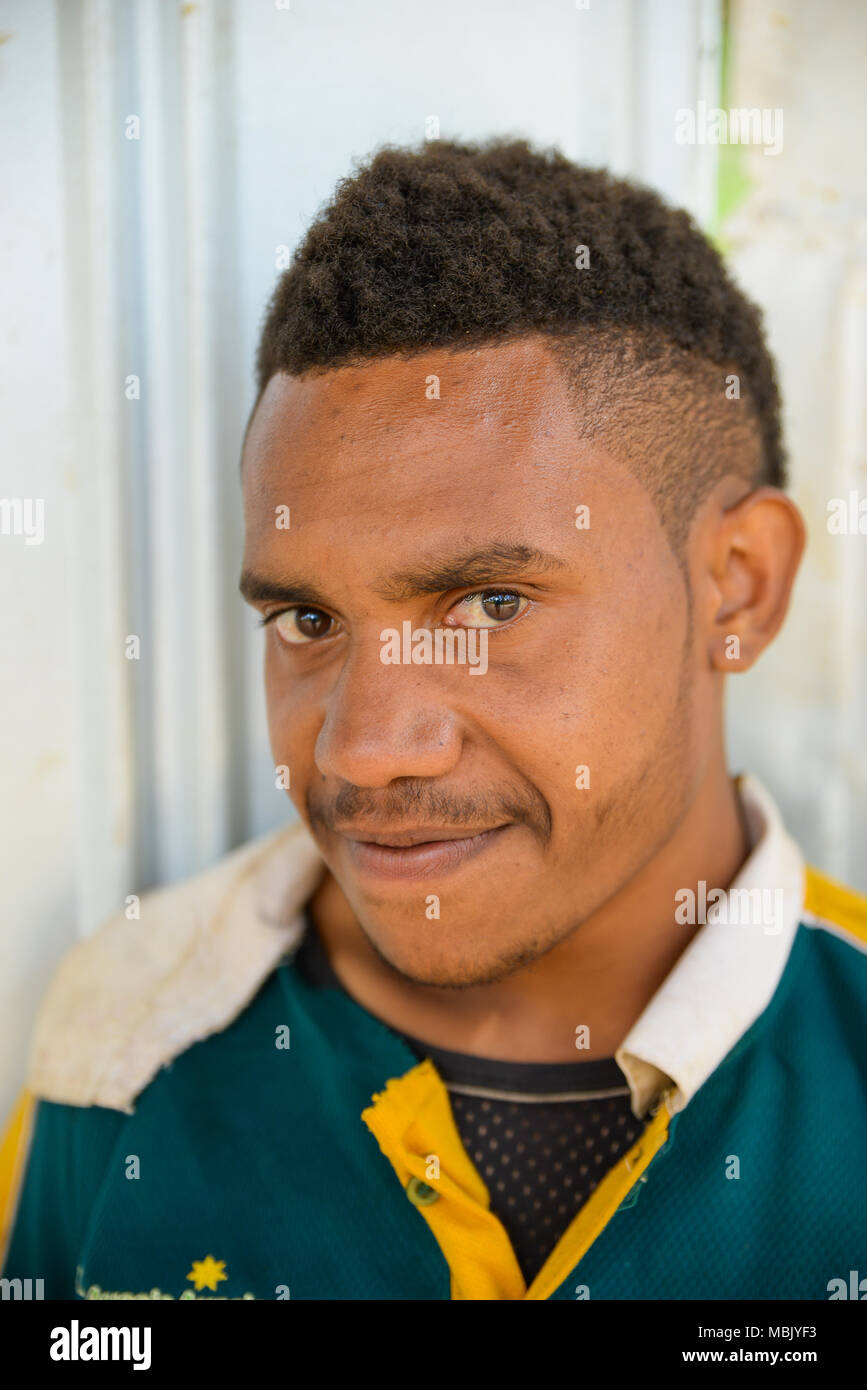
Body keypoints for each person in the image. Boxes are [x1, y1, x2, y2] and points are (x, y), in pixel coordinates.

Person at [2, 139, 865, 1302]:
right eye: (306, 618)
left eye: (489, 603)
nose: (361, 746)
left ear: (737, 587)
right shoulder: (125, 1041)